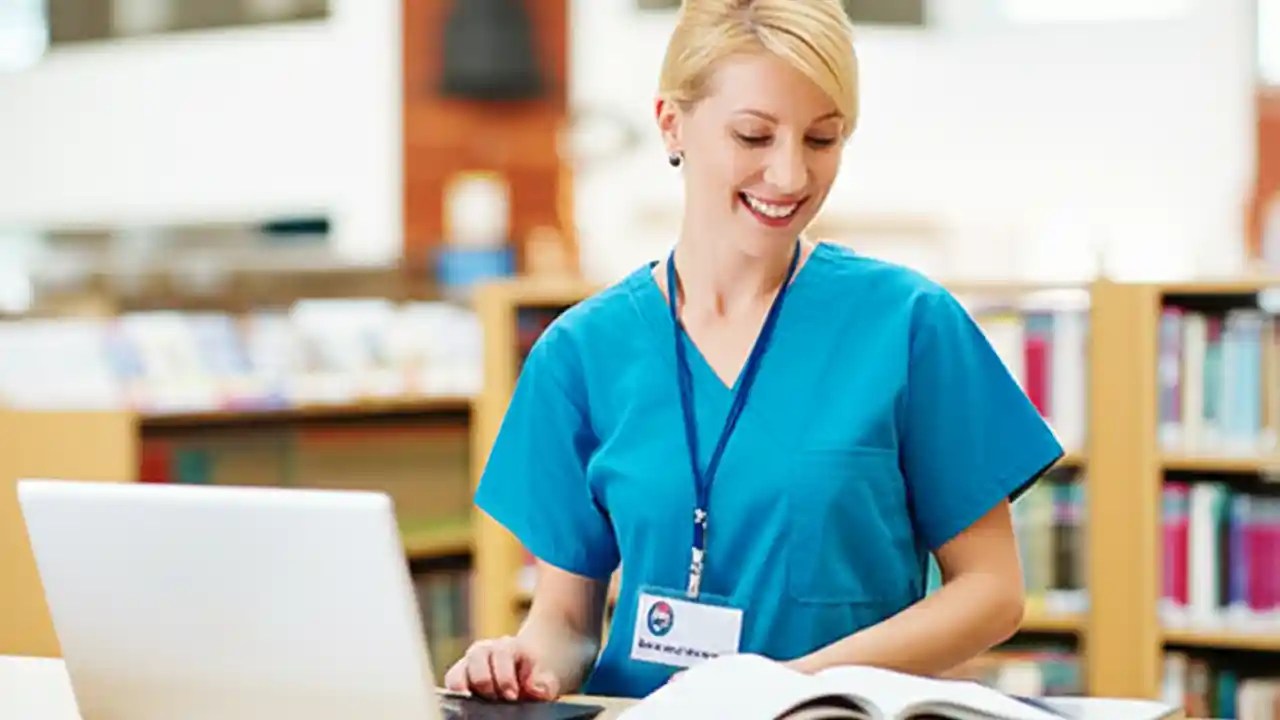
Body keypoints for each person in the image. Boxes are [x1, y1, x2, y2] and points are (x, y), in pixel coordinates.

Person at [444, 0, 1064, 702]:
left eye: (823, 140)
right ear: (671, 122)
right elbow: (565, 618)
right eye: (754, 135)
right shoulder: (581, 354)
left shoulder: (910, 326)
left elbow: (991, 593)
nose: (791, 175)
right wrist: (527, 665)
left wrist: (784, 690)